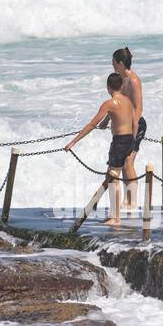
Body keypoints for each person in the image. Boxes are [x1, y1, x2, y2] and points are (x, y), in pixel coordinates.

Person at [65, 73, 136, 226]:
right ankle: (114, 215)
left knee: (113, 179)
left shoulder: (109, 104)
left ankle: (115, 218)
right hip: (129, 139)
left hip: (119, 142)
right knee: (113, 178)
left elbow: (92, 124)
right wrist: (132, 141)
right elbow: (128, 121)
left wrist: (73, 142)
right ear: (121, 86)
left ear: (108, 87)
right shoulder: (127, 101)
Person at [111, 47, 145, 207]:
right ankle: (127, 199)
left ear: (121, 63)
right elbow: (118, 103)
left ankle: (132, 201)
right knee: (124, 162)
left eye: (114, 62)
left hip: (136, 124)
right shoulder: (120, 79)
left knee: (129, 161)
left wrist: (134, 130)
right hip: (125, 126)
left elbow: (138, 107)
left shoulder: (133, 80)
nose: (112, 65)